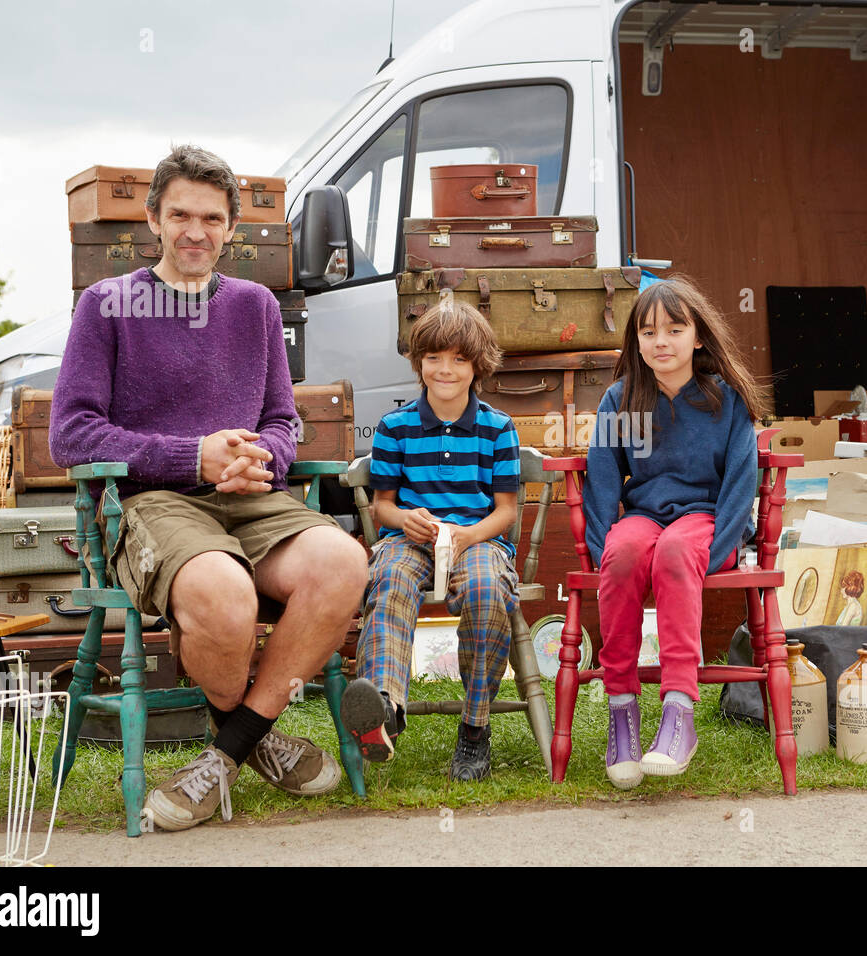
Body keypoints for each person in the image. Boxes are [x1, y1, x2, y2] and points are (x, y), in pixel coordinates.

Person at [50, 145, 368, 831]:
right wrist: (191, 456)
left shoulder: (254, 305)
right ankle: (252, 737)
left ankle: (223, 754)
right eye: (182, 215)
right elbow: (71, 436)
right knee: (225, 594)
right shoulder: (107, 305)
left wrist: (266, 459)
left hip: (249, 498)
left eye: (213, 218)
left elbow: (282, 419)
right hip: (153, 503)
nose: (197, 232)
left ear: (231, 229)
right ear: (154, 219)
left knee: (344, 560)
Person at [583, 276, 766, 789]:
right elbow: (600, 482)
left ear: (698, 336)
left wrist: (722, 548)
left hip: (705, 523)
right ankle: (622, 713)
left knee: (674, 549)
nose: (660, 342)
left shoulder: (724, 402)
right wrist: (605, 554)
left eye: (674, 329)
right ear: (635, 342)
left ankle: (679, 712)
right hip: (645, 519)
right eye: (647, 332)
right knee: (624, 551)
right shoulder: (622, 401)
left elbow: (739, 482)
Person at [341, 300, 520, 782]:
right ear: (418, 361)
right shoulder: (394, 428)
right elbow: (382, 504)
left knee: (486, 590)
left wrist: (467, 535)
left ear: (478, 365)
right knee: (391, 580)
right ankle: (383, 708)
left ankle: (475, 728)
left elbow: (505, 510)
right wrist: (404, 518)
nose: (446, 369)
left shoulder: (498, 429)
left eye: (460, 359)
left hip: (477, 539)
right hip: (410, 539)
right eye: (435, 358)